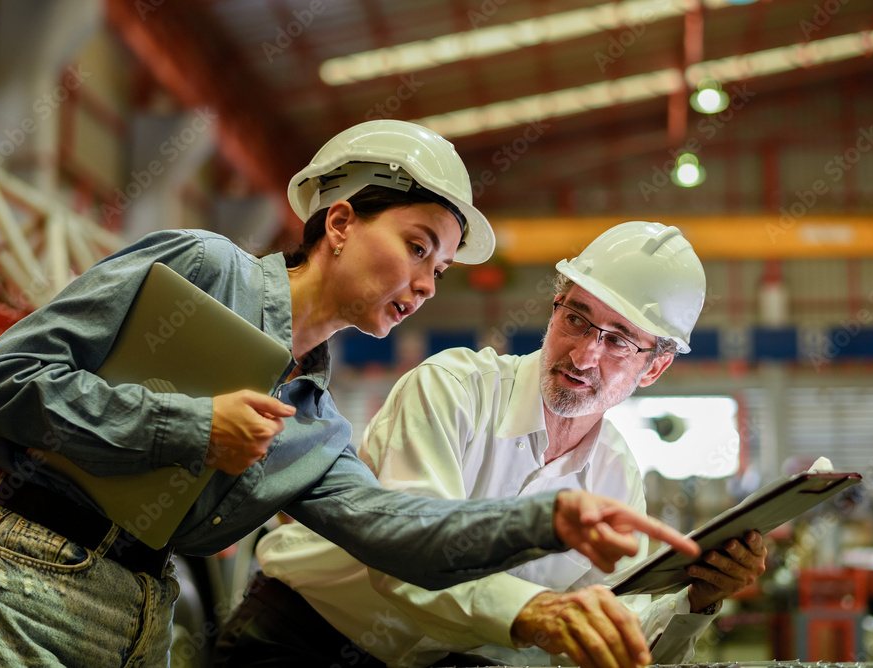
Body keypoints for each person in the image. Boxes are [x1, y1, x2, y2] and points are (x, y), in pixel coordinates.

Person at [0, 123, 698, 668]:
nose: (426, 285)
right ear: (339, 222)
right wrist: (192, 425)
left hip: (146, 605)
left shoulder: (312, 427)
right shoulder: (204, 269)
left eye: (439, 270)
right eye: (416, 247)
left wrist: (548, 520)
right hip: (31, 572)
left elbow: (401, 532)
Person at [213, 221, 769, 668]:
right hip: (299, 639)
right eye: (577, 319)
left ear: (655, 368)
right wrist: (534, 612)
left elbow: (615, 634)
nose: (583, 356)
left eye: (619, 340)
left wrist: (696, 599)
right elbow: (405, 558)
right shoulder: (451, 391)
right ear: (555, 309)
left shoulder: (615, 477)